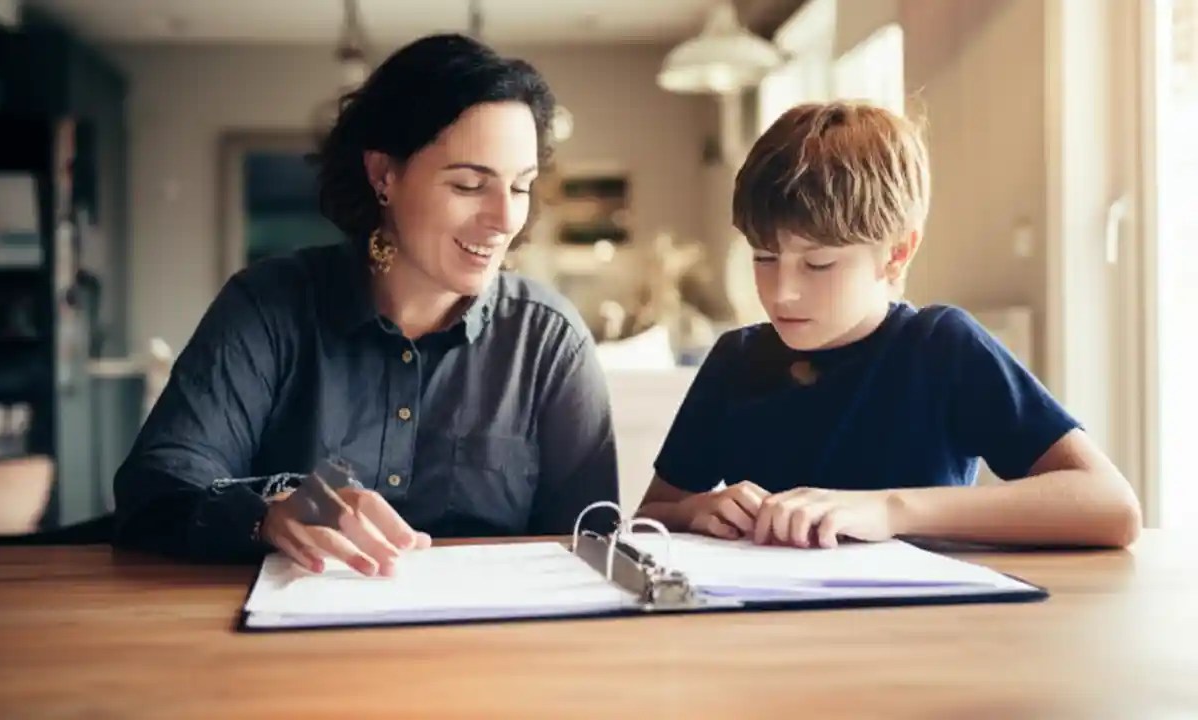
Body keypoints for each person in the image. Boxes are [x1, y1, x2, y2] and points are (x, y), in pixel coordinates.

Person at [114, 34, 618, 574]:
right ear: (384, 176)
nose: (504, 219)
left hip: (484, 649)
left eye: (520, 187)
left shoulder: (548, 341)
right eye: (470, 185)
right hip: (285, 644)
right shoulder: (268, 308)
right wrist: (269, 512)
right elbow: (158, 485)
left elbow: (592, 545)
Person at [635, 101, 1142, 549]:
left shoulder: (942, 348)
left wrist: (888, 510)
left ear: (897, 253)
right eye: (765, 257)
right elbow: (646, 521)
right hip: (772, 634)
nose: (780, 291)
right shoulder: (735, 360)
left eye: (818, 265)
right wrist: (694, 511)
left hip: (918, 635)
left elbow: (1111, 507)